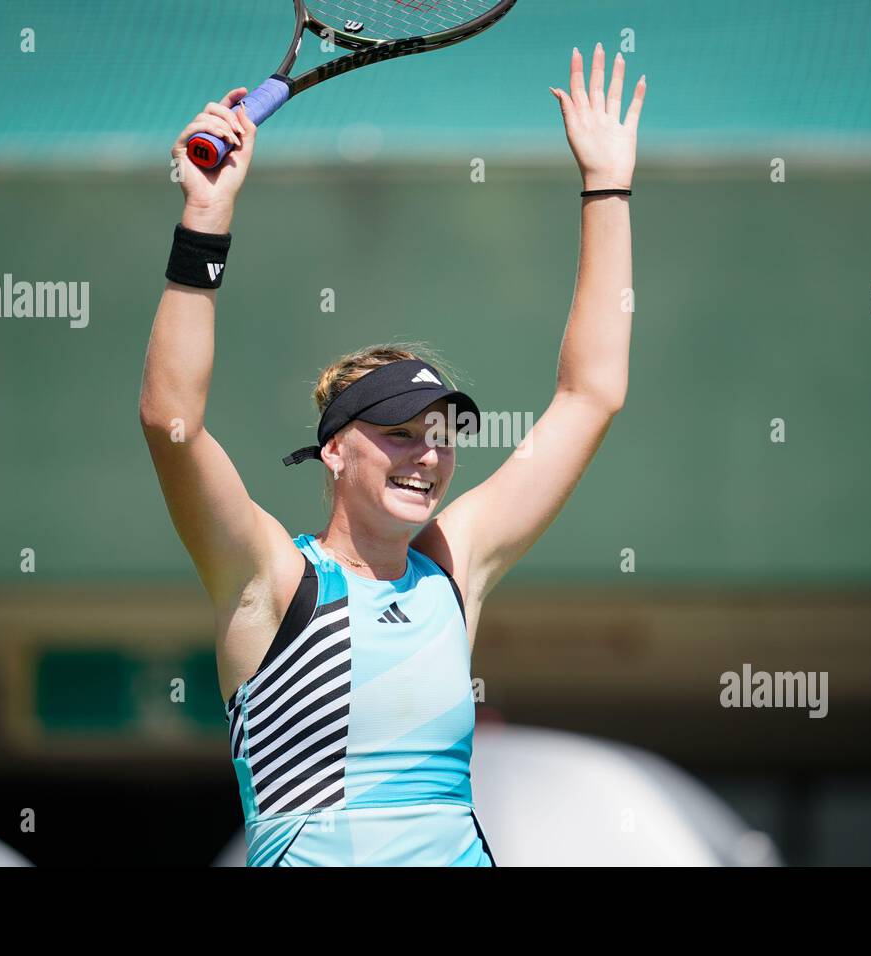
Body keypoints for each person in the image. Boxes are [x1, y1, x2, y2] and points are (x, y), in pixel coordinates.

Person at [140, 44, 645, 866]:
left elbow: (592, 396)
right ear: (334, 452)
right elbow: (172, 421)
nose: (428, 455)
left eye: (440, 434)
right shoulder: (273, 584)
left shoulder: (452, 565)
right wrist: (205, 217)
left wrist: (607, 186)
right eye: (400, 432)